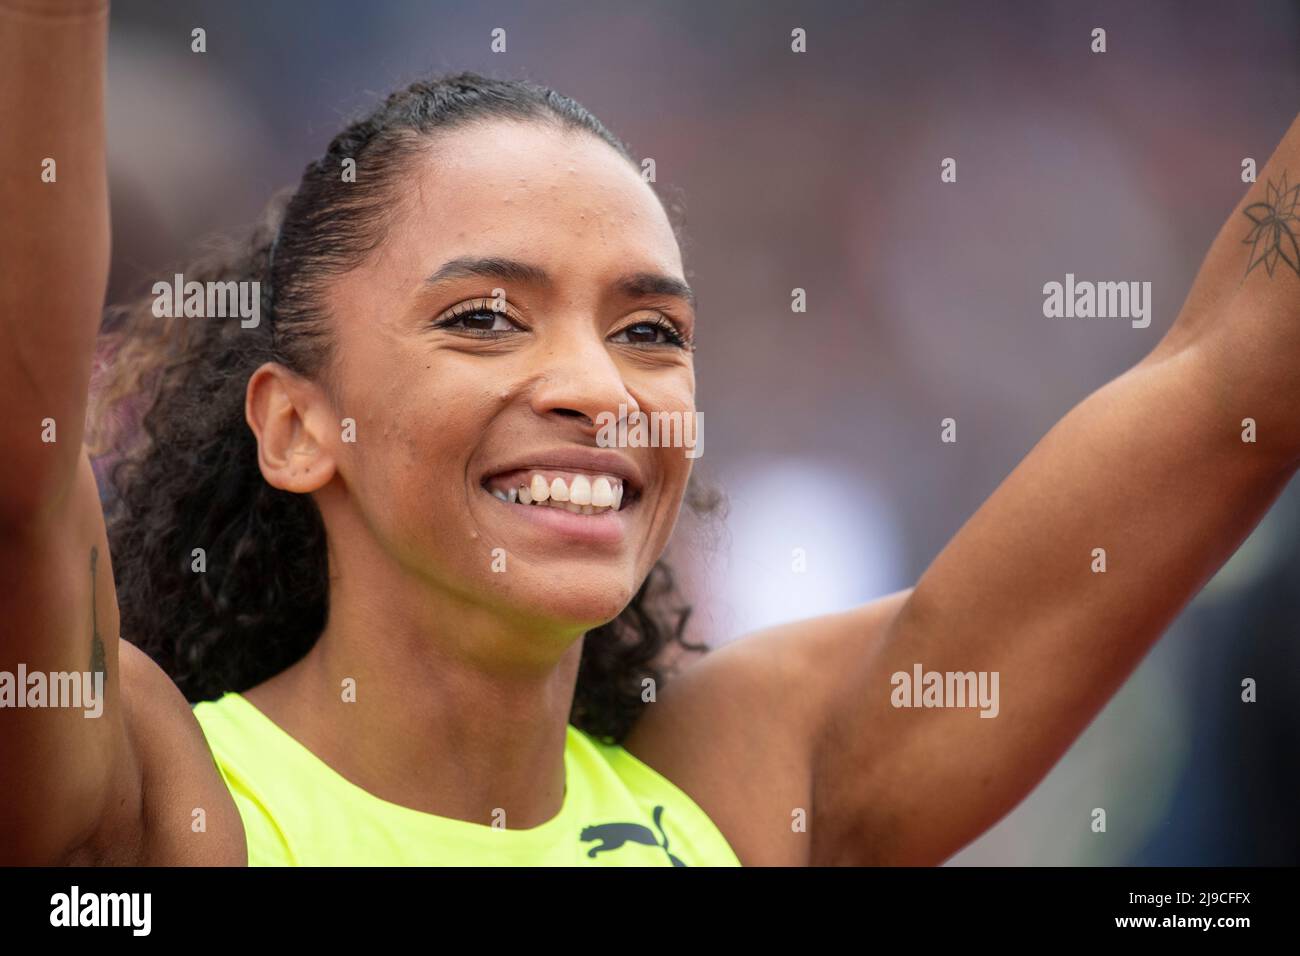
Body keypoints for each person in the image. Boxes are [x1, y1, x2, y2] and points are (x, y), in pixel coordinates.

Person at [2, 0, 1298, 866]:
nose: (598, 387)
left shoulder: (756, 784)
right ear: (295, 425)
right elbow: (22, 462)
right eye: (487, 318)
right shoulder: (171, 803)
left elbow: (1225, 392)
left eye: (649, 333)